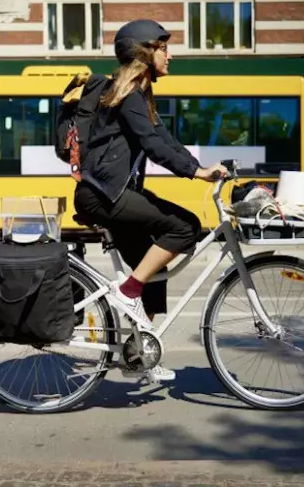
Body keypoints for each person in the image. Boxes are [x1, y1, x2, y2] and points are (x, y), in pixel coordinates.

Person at [73, 19, 228, 381]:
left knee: (153, 273)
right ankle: (127, 290)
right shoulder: (128, 96)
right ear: (144, 52)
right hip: (103, 197)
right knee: (185, 226)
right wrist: (197, 173)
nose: (169, 55)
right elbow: (154, 147)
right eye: (162, 48)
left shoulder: (136, 95)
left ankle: (138, 353)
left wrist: (199, 166)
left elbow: (165, 139)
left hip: (111, 195)